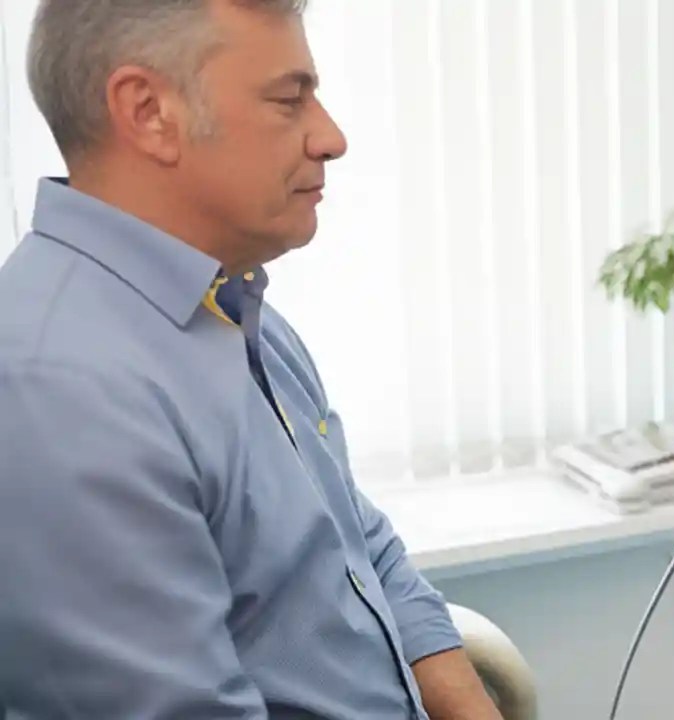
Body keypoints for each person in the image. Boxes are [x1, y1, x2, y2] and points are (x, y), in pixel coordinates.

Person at [0, 1, 500, 718]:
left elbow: (362, 549)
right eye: (288, 100)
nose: (331, 138)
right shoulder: (58, 387)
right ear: (148, 112)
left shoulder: (231, 307)